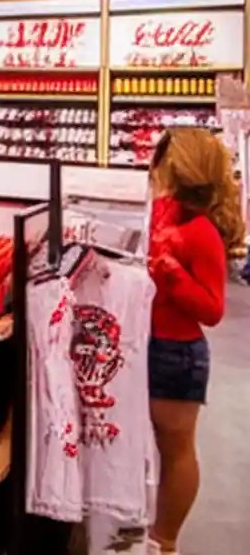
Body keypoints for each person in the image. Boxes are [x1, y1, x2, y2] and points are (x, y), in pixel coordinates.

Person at [146, 128, 244, 555]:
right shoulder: (166, 211)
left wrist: (171, 272)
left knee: (177, 451)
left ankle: (164, 541)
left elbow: (213, 309)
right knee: (160, 448)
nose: (156, 170)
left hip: (178, 353)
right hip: (152, 344)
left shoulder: (201, 231)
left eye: (164, 162)